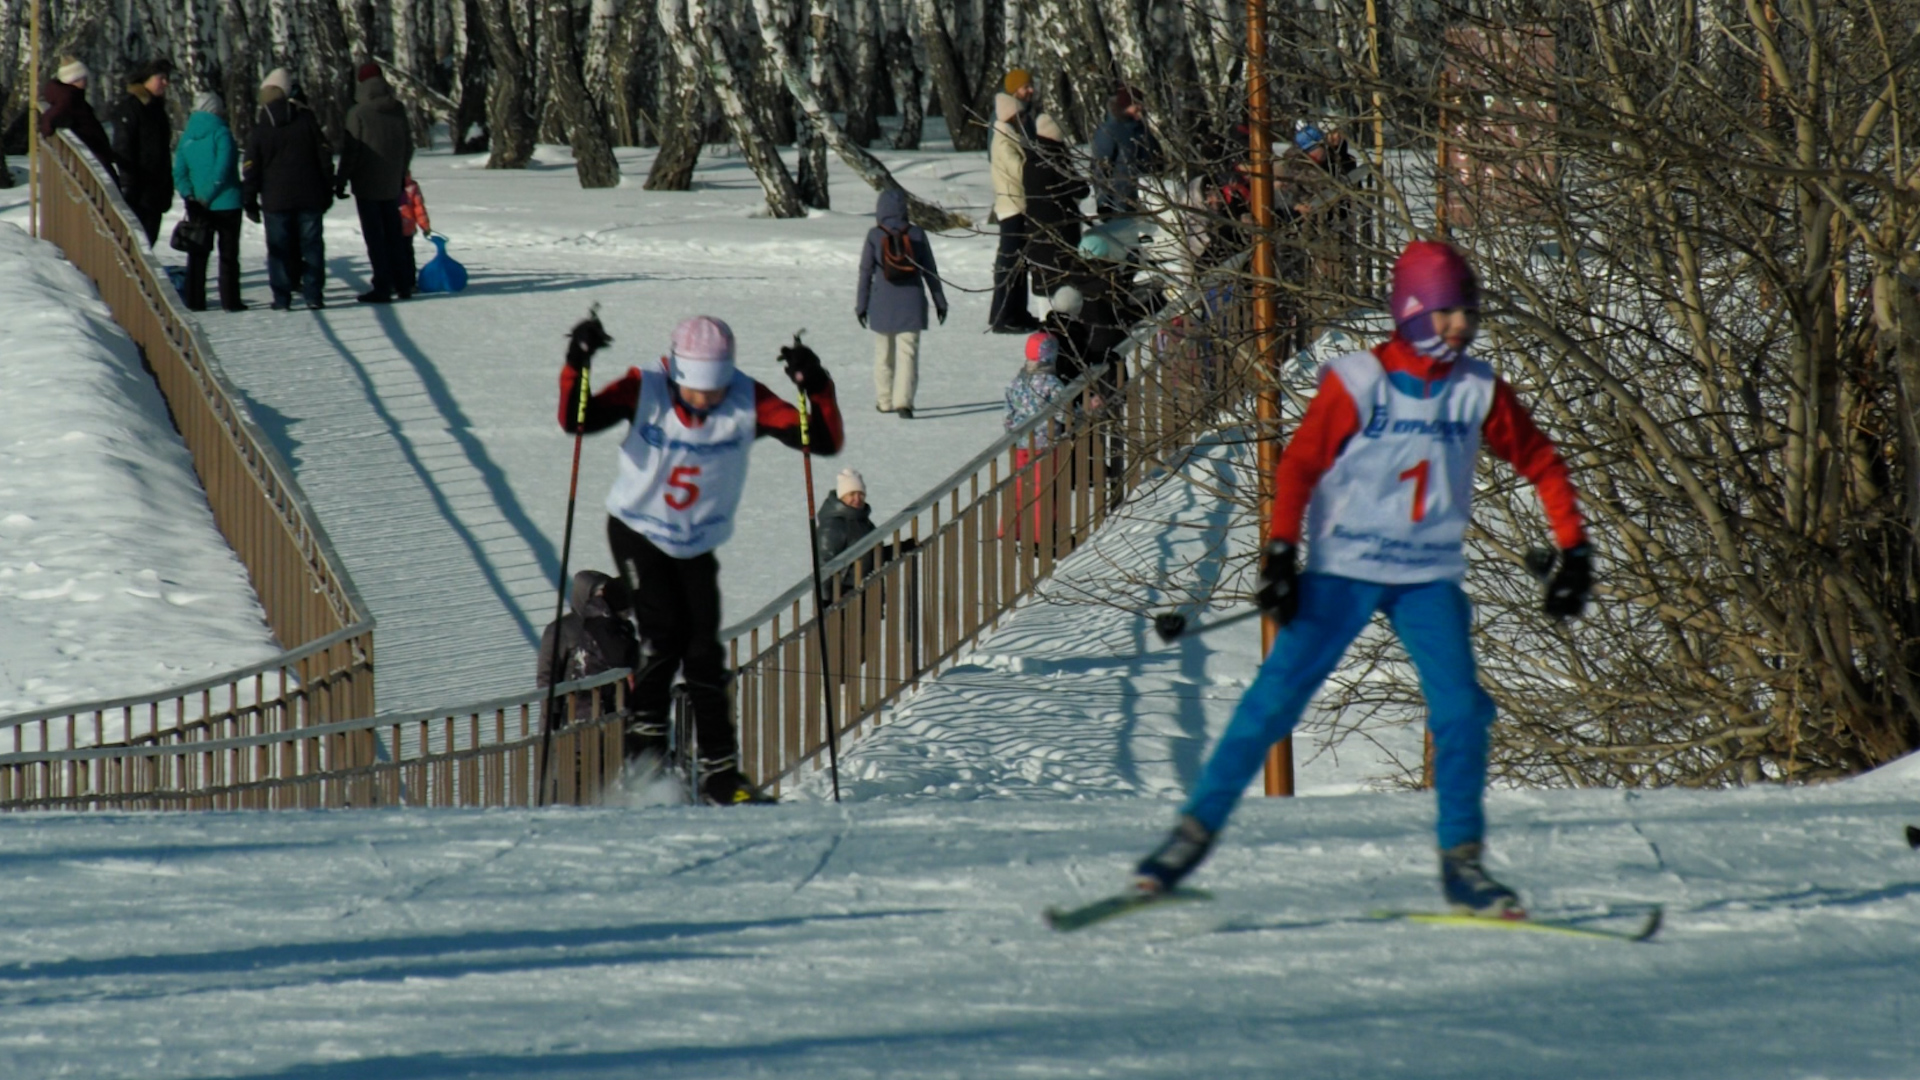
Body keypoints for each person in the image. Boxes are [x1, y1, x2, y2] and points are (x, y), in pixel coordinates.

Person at [1133, 241, 1594, 916]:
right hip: (1344, 571)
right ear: (1410, 312)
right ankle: (1190, 836)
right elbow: (1300, 465)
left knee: (1463, 712)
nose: (1460, 328)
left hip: (1426, 579)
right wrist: (1281, 554)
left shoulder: (1476, 390)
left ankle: (1463, 863)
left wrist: (1574, 547)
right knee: (1274, 700)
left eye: (1467, 313)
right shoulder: (1359, 383)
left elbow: (1543, 463)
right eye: (1445, 315)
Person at [558, 314, 845, 804]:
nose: (706, 402)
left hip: (695, 541)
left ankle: (721, 774)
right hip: (638, 530)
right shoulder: (644, 386)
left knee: (705, 656)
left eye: (714, 391)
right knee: (663, 633)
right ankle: (643, 760)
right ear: (675, 375)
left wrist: (815, 382)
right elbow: (577, 418)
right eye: (694, 392)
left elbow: (819, 438)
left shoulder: (745, 398)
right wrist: (577, 362)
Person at [243, 68, 334, 311]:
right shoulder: (306, 120)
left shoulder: (262, 127)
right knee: (312, 245)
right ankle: (314, 294)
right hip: (309, 195)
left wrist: (249, 199)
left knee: (279, 248)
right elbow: (324, 156)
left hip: (275, 199)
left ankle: (282, 297)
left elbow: (252, 166)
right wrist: (328, 187)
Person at [856, 187, 948, 419]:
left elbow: (865, 273)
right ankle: (903, 403)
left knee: (883, 354)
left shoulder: (874, 235)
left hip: (882, 304)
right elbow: (931, 272)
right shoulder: (917, 234)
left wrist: (861, 306)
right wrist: (940, 302)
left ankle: (884, 401)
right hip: (912, 303)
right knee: (907, 354)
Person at [335, 63, 413, 304]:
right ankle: (403, 282)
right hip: (392, 182)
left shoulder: (358, 113)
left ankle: (382, 285)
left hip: (367, 184)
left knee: (375, 238)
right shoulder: (397, 108)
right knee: (395, 235)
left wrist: (342, 180)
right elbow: (408, 145)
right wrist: (400, 173)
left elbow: (352, 151)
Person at [170, 92, 247, 313]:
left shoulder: (187, 137)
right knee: (229, 255)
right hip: (227, 202)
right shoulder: (222, 133)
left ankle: (195, 300)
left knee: (197, 253)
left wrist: (190, 197)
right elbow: (223, 168)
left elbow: (179, 172)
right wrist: (208, 195)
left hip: (197, 207)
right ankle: (230, 300)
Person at [537, 570, 639, 722]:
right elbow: (548, 676)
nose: (601, 597)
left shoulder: (617, 626)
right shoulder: (561, 629)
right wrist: (551, 716)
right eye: (597, 592)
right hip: (575, 709)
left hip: (614, 707)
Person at [1002, 331, 1073, 541]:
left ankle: (1010, 530)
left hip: (1020, 443)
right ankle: (1039, 534)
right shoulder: (1051, 383)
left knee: (1018, 487)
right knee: (1042, 490)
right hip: (1045, 444)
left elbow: (1008, 412)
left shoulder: (1017, 381)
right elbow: (1063, 413)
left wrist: (1013, 431)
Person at [989, 70, 1041, 334]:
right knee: (1009, 262)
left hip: (1019, 205)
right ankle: (1002, 315)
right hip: (1012, 207)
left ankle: (1016, 312)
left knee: (1019, 262)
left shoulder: (1013, 133)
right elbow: (1017, 169)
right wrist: (1035, 166)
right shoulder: (1003, 137)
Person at [108, 58, 175, 245]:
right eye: (160, 78)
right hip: (138, 191)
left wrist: (166, 185)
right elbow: (123, 149)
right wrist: (128, 185)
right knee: (136, 244)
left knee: (148, 240)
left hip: (155, 190)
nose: (165, 83)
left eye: (166, 78)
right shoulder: (131, 108)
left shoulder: (157, 109)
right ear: (146, 79)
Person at [1023, 113, 1088, 302]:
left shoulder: (1030, 157)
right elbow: (1080, 190)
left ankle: (1046, 322)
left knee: (1043, 279)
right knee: (1062, 280)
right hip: (1060, 227)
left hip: (1036, 225)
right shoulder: (1056, 158)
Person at [38, 58, 116, 180]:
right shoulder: (69, 97)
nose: (85, 82)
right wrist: (55, 124)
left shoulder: (72, 96)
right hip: (89, 157)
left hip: (91, 154)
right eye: (81, 78)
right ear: (72, 80)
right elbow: (50, 118)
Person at [1090, 85, 1160, 218]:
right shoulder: (1109, 130)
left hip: (1150, 198)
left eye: (1141, 104)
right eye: (1136, 105)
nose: (1140, 108)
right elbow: (1100, 169)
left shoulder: (1141, 129)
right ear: (1124, 107)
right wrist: (1104, 203)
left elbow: (1155, 157)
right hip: (1120, 202)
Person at [396, 172, 432, 298]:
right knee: (405, 256)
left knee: (403, 256)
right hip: (400, 227)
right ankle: (406, 282)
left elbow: (419, 208)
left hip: (403, 228)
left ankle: (407, 282)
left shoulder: (410, 187)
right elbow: (419, 208)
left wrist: (425, 225)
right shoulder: (410, 186)